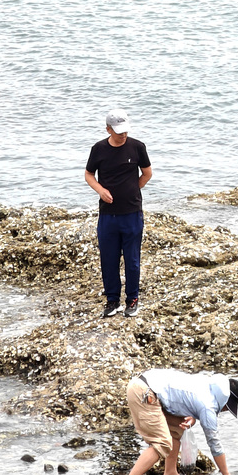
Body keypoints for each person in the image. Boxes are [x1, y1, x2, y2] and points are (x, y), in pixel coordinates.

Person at [125, 369, 238, 475]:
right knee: (162, 443)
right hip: (144, 392)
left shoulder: (207, 384)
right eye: (227, 407)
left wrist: (192, 416)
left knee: (176, 430)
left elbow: (187, 397)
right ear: (225, 400)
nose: (225, 410)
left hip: (148, 384)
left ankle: (170, 473)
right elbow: (214, 443)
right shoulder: (209, 407)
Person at [84, 109, 152, 318]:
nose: (123, 135)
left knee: (132, 260)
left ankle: (132, 299)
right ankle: (112, 301)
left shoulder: (137, 147)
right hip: (108, 215)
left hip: (132, 213)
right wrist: (101, 191)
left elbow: (147, 172)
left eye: (125, 131)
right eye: (119, 131)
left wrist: (133, 189)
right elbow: (89, 174)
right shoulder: (99, 149)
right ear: (108, 129)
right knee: (109, 259)